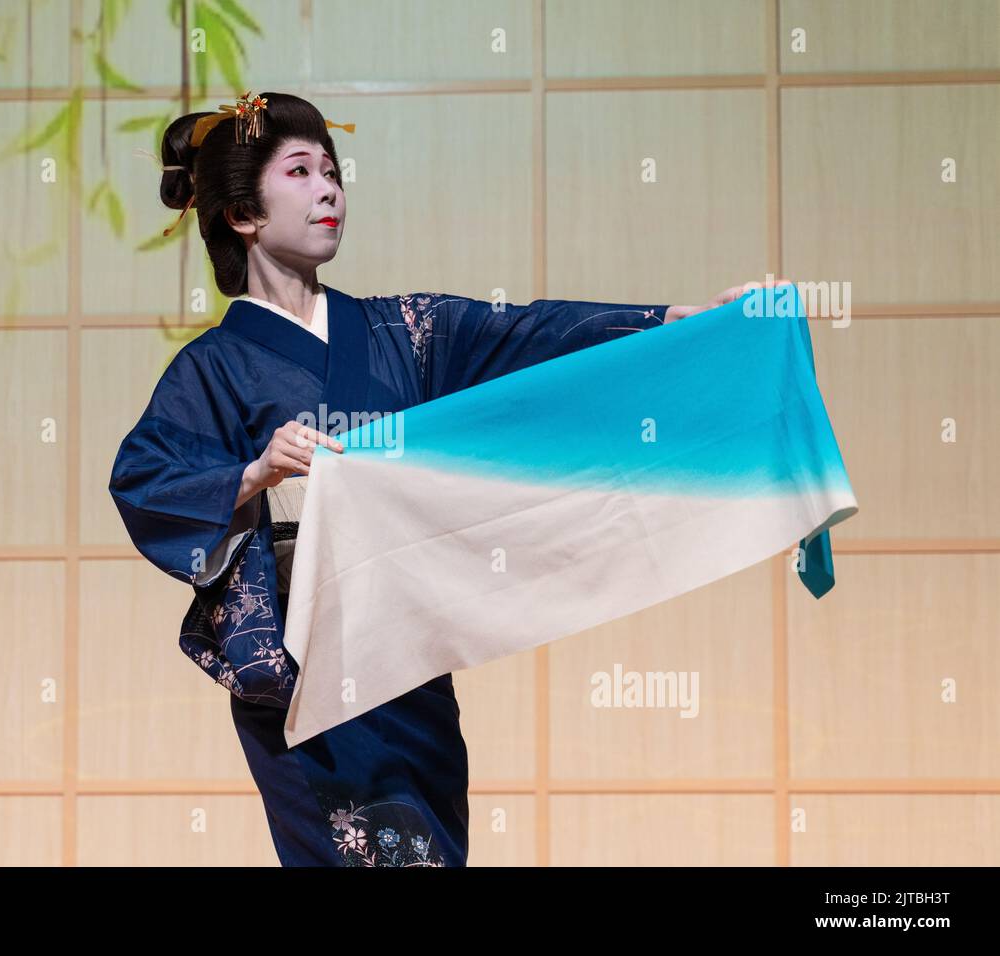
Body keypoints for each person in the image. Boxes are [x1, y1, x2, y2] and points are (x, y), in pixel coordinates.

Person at [110, 90, 758, 867]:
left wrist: (670, 327)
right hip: (305, 672)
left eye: (334, 170)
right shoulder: (212, 369)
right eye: (301, 170)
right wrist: (254, 470)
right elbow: (146, 479)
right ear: (244, 214)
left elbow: (527, 332)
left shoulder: (404, 332)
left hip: (406, 656)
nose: (329, 189)